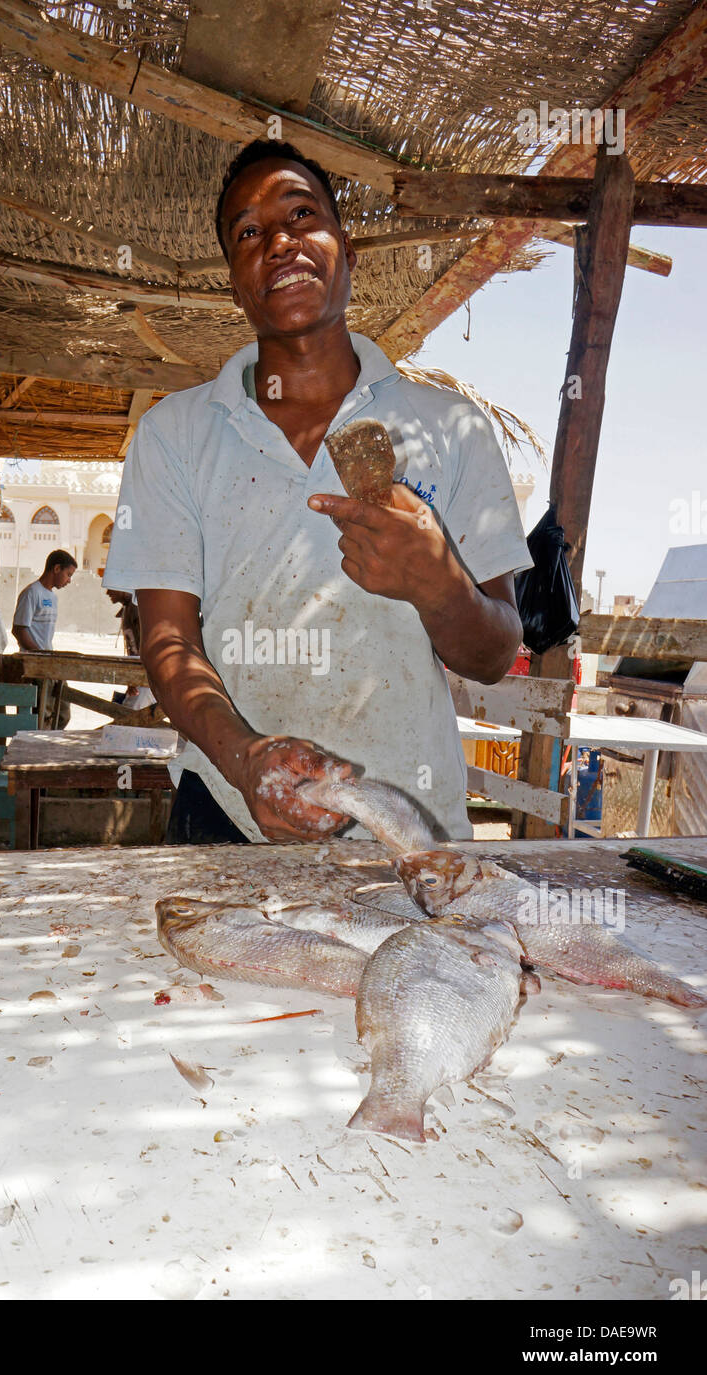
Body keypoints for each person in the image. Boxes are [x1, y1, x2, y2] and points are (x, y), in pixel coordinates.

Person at [103, 139, 531, 846]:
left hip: (410, 827)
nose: (278, 240)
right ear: (235, 283)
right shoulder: (172, 433)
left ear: (346, 251)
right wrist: (247, 763)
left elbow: (491, 656)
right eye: (248, 232)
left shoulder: (451, 427)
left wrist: (439, 586)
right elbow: (169, 638)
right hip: (228, 812)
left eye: (302, 215)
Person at [12, 549, 77, 728]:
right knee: (41, 715)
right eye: (68, 574)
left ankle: (49, 744)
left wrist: (48, 656)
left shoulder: (52, 597)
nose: (69, 580)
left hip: (50, 662)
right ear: (56, 568)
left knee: (62, 713)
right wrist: (38, 654)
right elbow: (18, 629)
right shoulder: (32, 593)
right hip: (35, 665)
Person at [105, 588, 154, 711]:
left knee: (135, 714)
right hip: (138, 673)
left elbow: (144, 646)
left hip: (146, 674)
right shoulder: (128, 608)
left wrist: (135, 677)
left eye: (110, 588)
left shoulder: (138, 608)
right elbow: (132, 647)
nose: (108, 593)